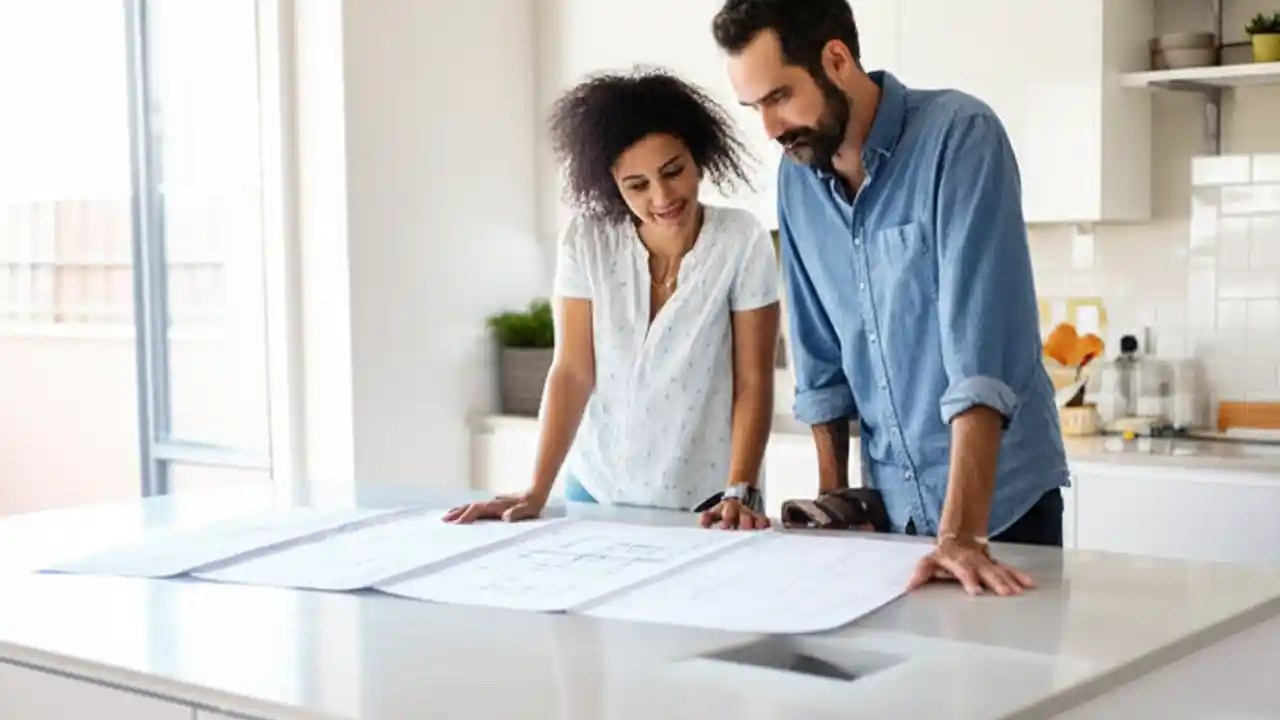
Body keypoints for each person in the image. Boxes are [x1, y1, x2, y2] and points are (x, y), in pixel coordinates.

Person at [713, 0, 1069, 595]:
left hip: (1003, 516)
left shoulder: (959, 138)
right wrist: (835, 503)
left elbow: (981, 360)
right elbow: (820, 359)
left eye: (779, 98)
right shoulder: (797, 178)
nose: (769, 130)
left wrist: (961, 535)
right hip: (891, 520)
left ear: (836, 59)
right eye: (755, 108)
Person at [445, 68, 781, 530]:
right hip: (595, 489)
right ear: (612, 184)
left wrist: (740, 490)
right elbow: (572, 371)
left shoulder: (741, 240)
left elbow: (753, 380)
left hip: (711, 500)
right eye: (637, 185)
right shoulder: (586, 241)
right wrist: (536, 489)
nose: (662, 197)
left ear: (698, 158)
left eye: (673, 171)